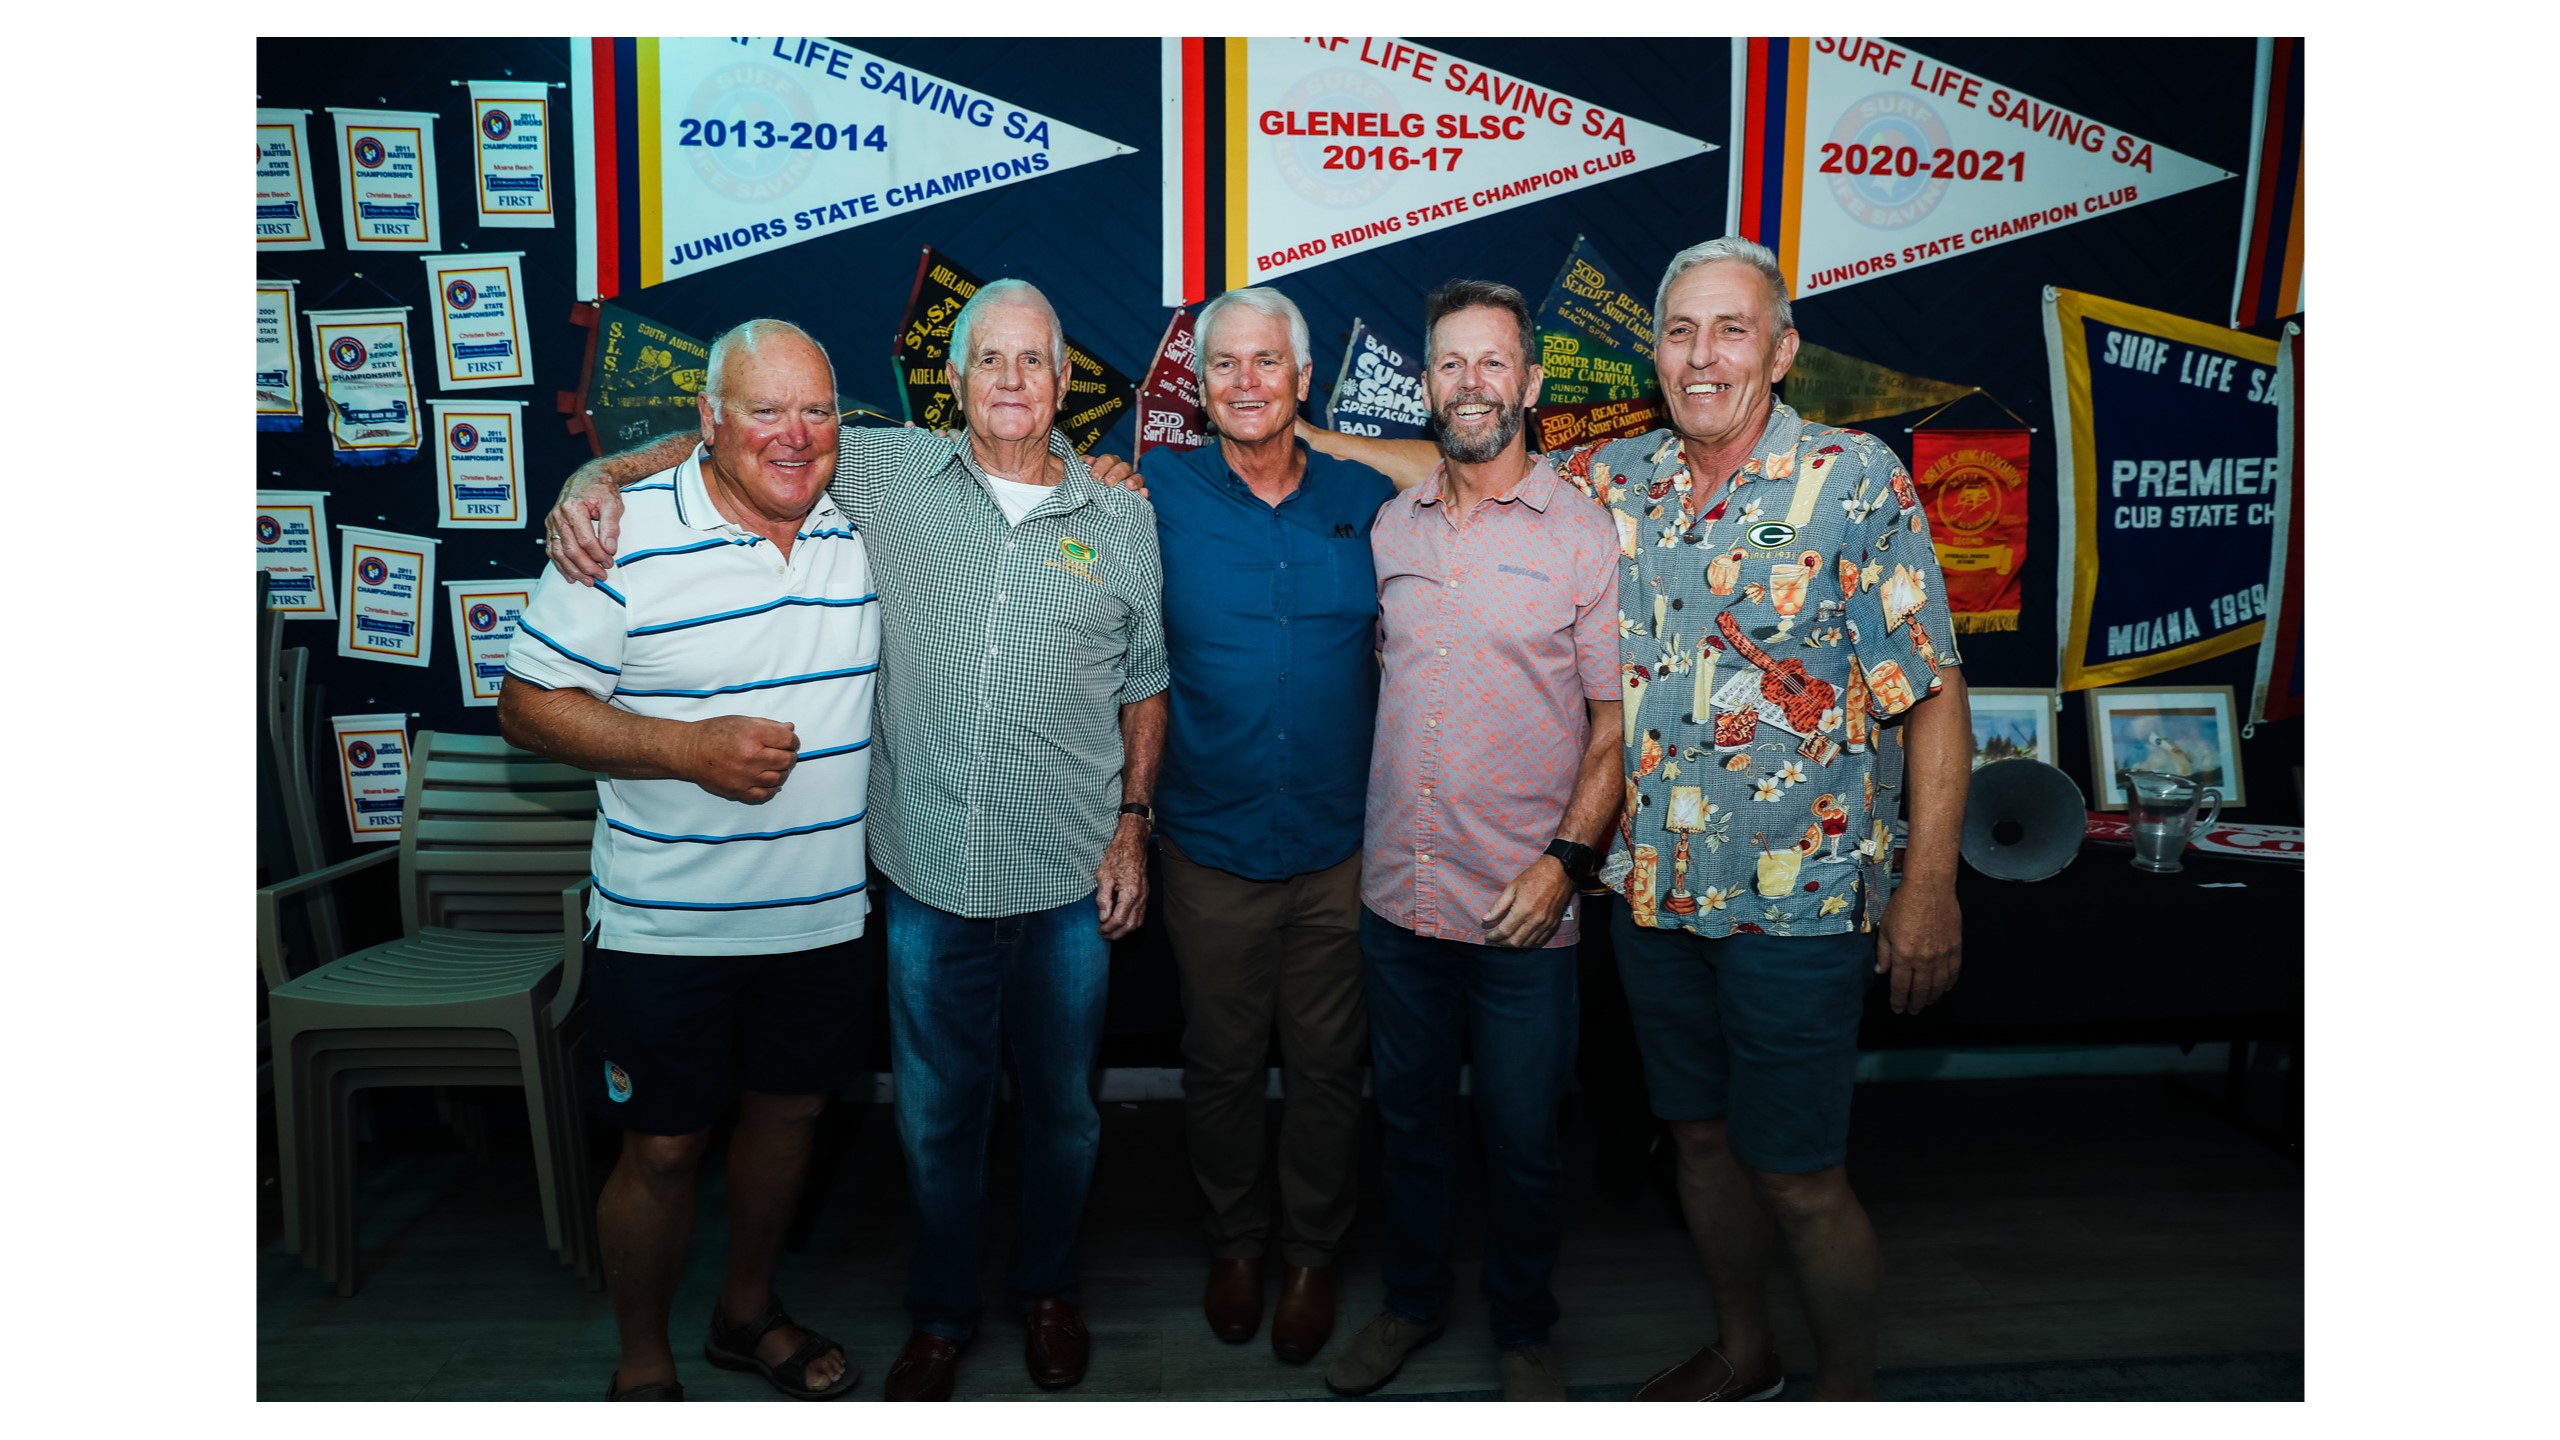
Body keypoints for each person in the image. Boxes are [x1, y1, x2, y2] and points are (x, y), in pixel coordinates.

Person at [541, 280, 1167, 1401]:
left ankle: (1048, 1292)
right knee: (932, 1122)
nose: (1013, 382)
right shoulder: (881, 470)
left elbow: (1145, 685)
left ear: (1067, 385)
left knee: (1063, 1115)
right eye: (990, 360)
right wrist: (597, 475)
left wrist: (1133, 825)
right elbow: (726, 442)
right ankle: (936, 1316)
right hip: (917, 875)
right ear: (955, 379)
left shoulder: (1120, 514)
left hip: (1056, 876)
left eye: (1034, 362)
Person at [1559, 237, 1970, 1401]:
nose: (1701, 356)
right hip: (1651, 892)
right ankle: (1747, 1355)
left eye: (1729, 330)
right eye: (1678, 332)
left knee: (1797, 1174)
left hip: (1801, 903)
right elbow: (1466, 467)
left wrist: (1929, 889)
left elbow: (1932, 698)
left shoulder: (1855, 477)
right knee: (1693, 1141)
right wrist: (1298, 442)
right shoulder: (1615, 478)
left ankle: (1845, 1399)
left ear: (1781, 351)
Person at [498, 319, 875, 1403]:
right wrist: (682, 749)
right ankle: (644, 1360)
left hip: (821, 917)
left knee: (789, 1121)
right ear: (708, 420)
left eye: (817, 410)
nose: (796, 436)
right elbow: (526, 708)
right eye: (765, 410)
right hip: (668, 924)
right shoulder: (619, 536)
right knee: (662, 1150)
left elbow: (1009, 455)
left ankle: (744, 1312)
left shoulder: (861, 517)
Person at [1321, 280, 1622, 1403]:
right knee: (1405, 1128)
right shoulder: (1393, 526)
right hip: (1399, 900)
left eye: (1493, 363)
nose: (1472, 384)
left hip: (1522, 905)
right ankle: (1408, 1302)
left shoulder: (1585, 537)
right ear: (1429, 385)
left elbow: (1613, 726)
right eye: (1450, 364)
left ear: (1530, 384)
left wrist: (1565, 866)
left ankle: (1525, 1328)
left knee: (1524, 1142)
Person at [1139, 287, 1396, 1364]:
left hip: (1343, 845)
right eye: (1226, 365)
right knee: (1224, 1061)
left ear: (1301, 378)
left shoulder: (1368, 494)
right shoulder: (1150, 492)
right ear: (1199, 387)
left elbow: (1481, 464)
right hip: (1210, 842)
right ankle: (1237, 1241)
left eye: (1267, 363)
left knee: (1333, 1064)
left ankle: (1310, 1253)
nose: (1246, 382)